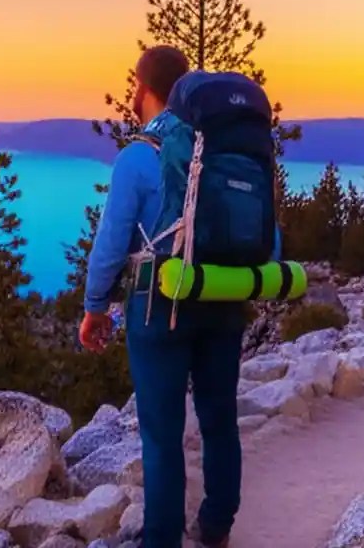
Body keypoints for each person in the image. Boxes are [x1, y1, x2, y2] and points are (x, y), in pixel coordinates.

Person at [80, 45, 276, 548]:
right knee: (219, 417)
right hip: (223, 296)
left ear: (143, 89)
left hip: (158, 306)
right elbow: (269, 241)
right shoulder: (226, 147)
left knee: (162, 434)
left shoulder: (138, 156)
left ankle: (162, 539)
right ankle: (216, 525)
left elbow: (111, 244)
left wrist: (95, 307)